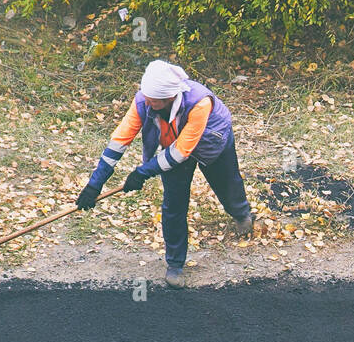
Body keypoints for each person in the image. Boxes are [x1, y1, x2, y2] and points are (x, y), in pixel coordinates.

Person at [75, 59, 254, 288]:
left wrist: (142, 172)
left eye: (153, 100)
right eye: (146, 97)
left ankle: (241, 214)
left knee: (226, 183)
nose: (147, 102)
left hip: (212, 138)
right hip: (173, 144)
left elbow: (181, 152)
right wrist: (94, 185)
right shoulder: (143, 101)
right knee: (174, 204)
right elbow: (119, 142)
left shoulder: (200, 102)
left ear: (169, 97)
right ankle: (175, 264)